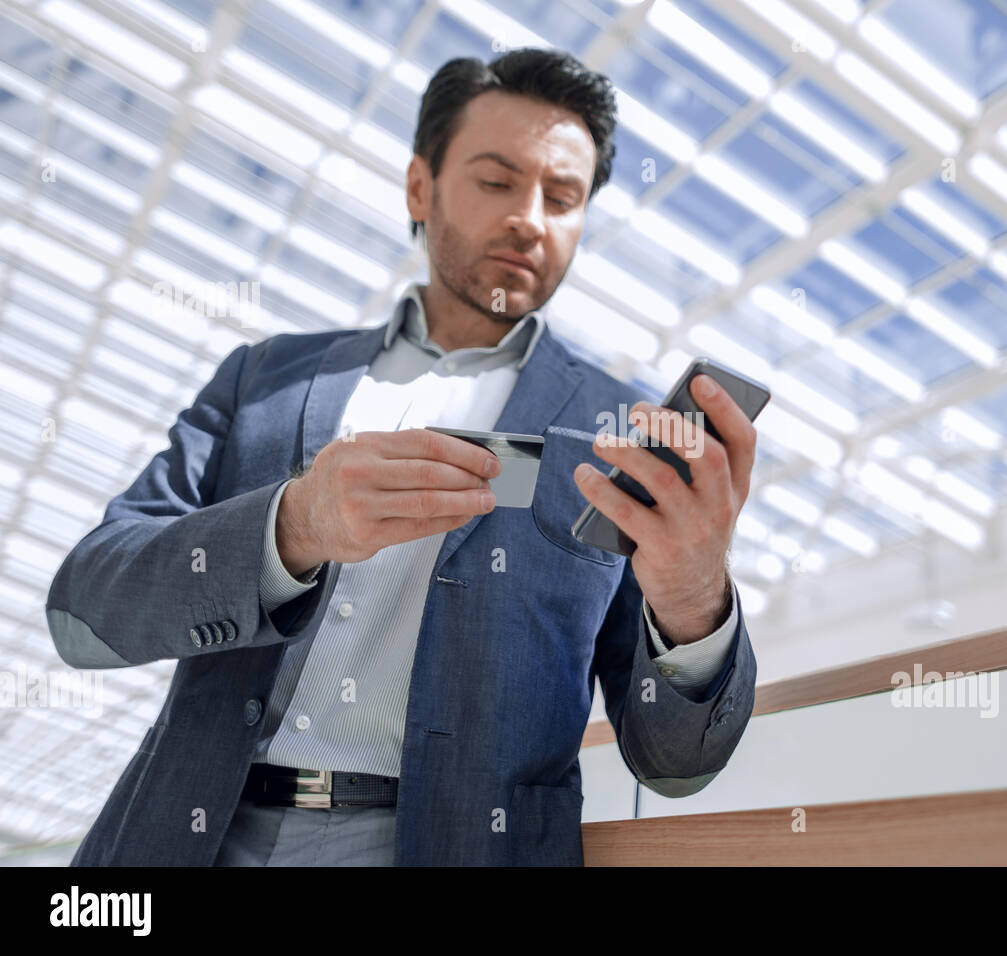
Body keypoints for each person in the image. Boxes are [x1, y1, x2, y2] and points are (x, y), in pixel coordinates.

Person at [45, 47, 758, 866]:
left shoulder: (623, 431)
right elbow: (84, 609)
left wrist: (694, 598)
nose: (531, 216)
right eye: (497, 182)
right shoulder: (265, 380)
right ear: (420, 187)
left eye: (562, 197)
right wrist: (294, 527)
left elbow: (675, 761)